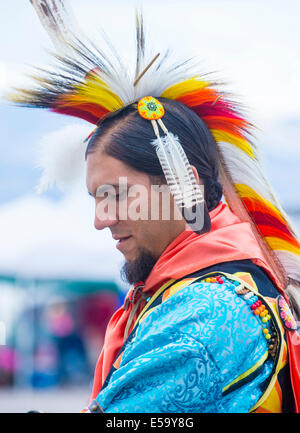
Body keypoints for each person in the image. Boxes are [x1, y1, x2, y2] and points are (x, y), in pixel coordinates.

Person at [10, 1, 300, 413]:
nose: (101, 220)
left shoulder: (206, 313)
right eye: (96, 198)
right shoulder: (213, 289)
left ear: (187, 190)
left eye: (118, 193)